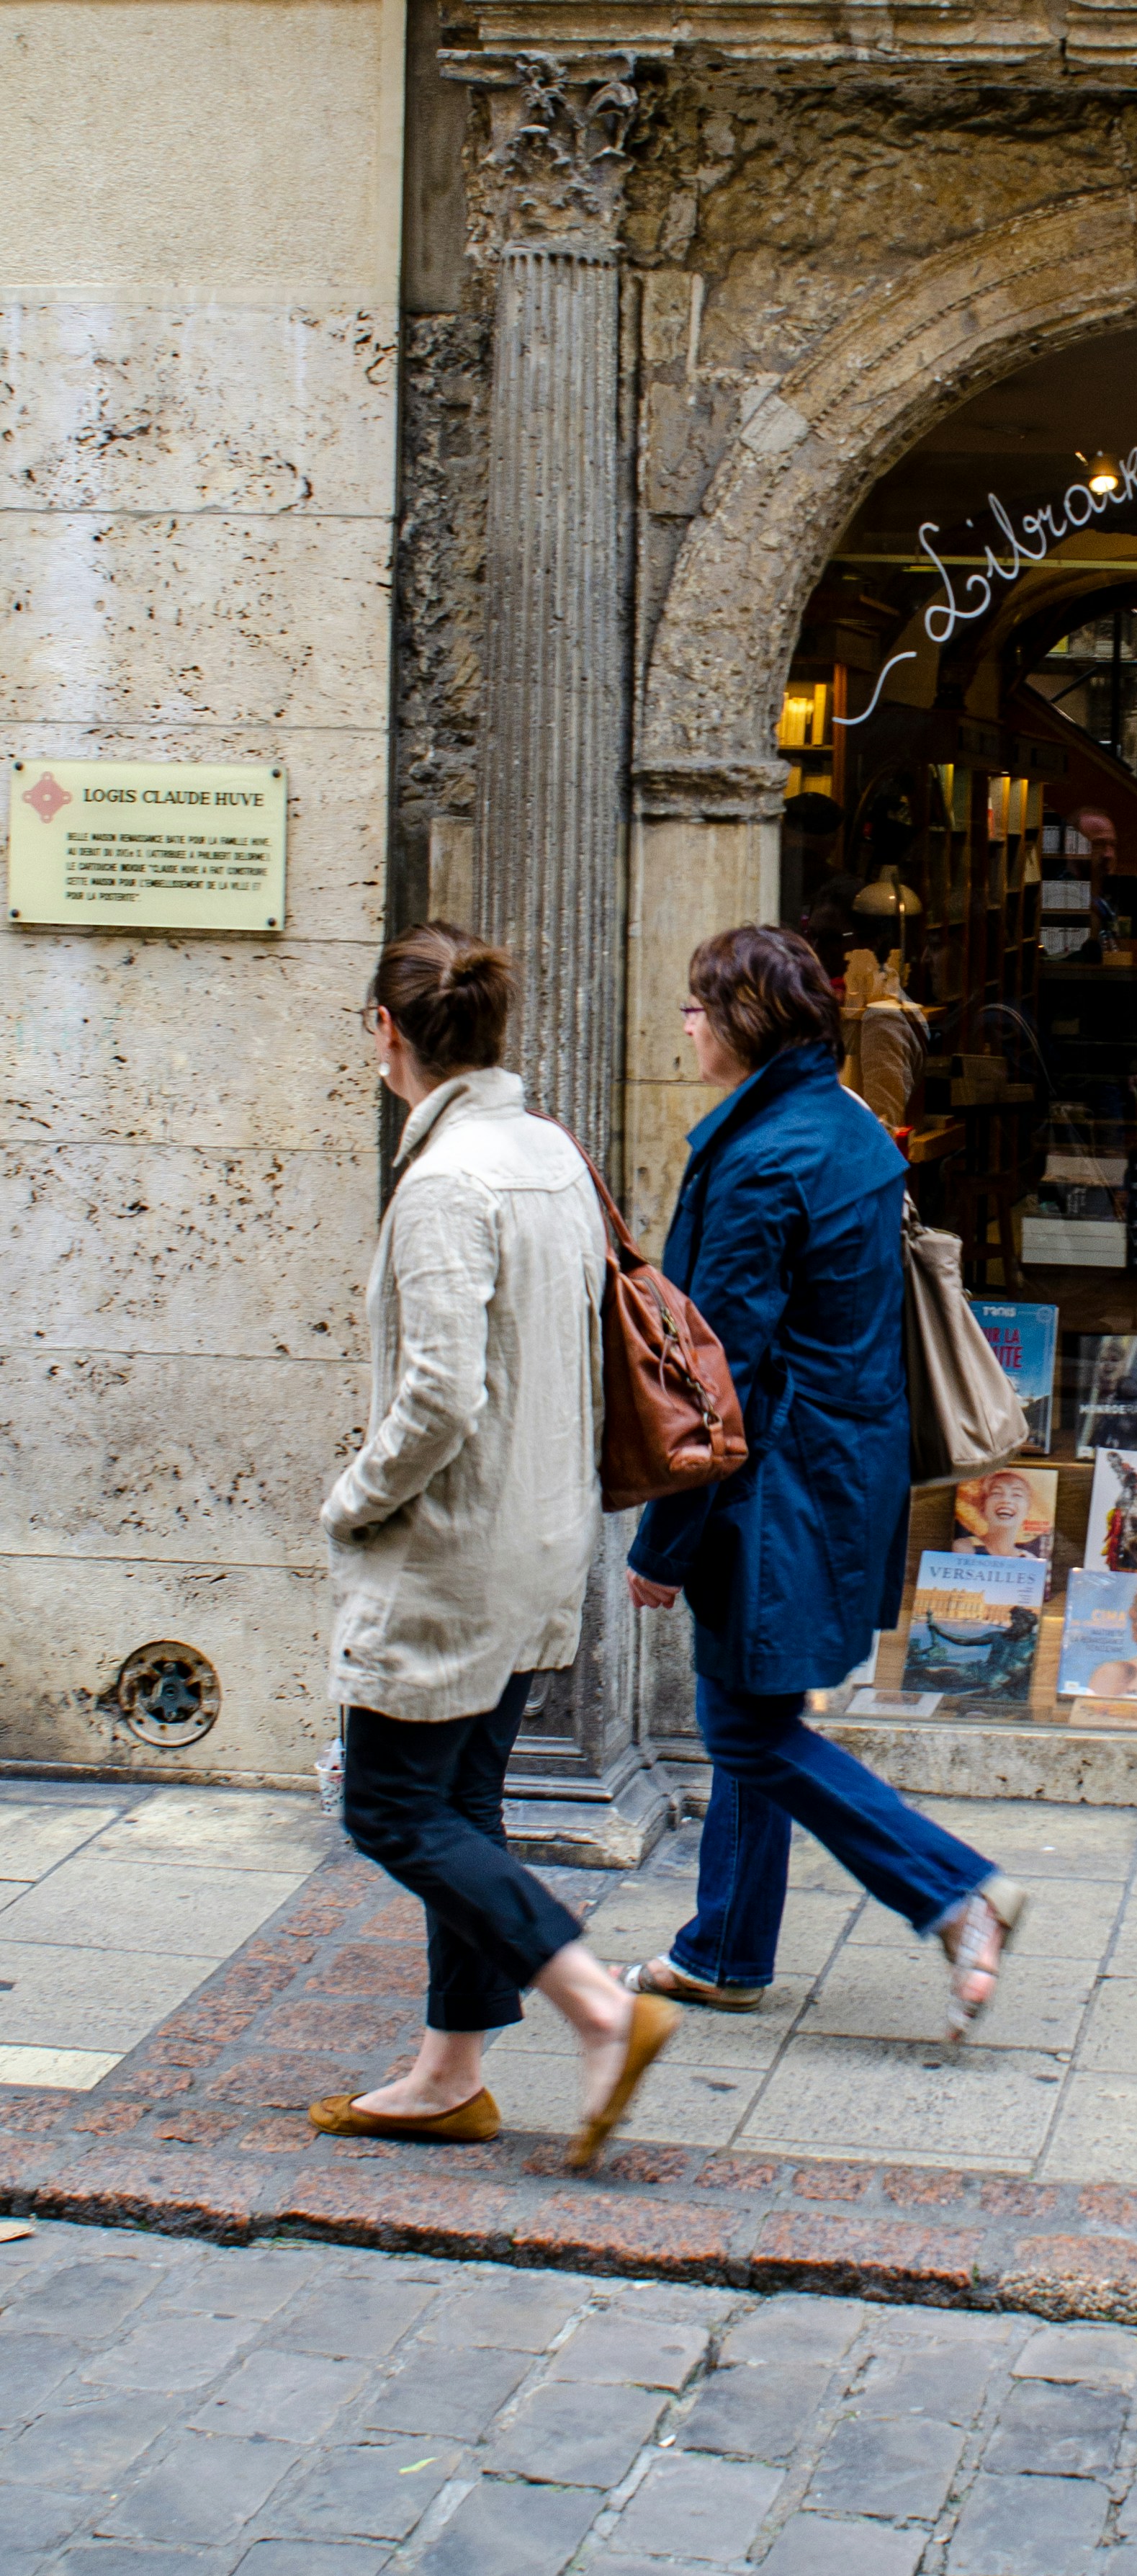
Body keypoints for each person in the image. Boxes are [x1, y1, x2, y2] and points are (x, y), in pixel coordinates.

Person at [312, 924, 675, 2166]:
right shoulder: (548, 1156)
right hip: (543, 1534)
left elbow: (438, 1396)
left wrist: (352, 1497)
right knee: (463, 1802)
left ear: (386, 1032)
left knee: (390, 1806)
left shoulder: (446, 1181)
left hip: (452, 1548)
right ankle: (447, 2070)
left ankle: (595, 2005)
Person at [622, 925, 1025, 2037]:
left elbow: (716, 1379)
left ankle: (955, 1891)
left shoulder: (760, 1160)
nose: (687, 1023)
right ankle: (724, 1948)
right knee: (753, 1705)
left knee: (747, 1731)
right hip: (839, 1468)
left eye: (701, 1005)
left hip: (776, 1488)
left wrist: (661, 1543)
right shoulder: (843, 1123)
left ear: (748, 1018)